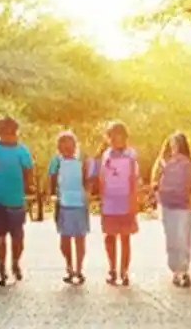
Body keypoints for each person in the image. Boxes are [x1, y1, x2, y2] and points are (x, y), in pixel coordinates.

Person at [0, 116, 34, 286]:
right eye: (4, 132)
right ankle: (2, 269)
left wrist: (28, 188)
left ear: (15, 132)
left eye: (11, 132)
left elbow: (28, 171)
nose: (8, 135)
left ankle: (15, 262)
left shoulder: (22, 151)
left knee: (17, 237)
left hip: (16, 200)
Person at [152, 131, 191, 288]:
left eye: (176, 145)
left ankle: (183, 271)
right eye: (172, 145)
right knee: (174, 237)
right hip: (170, 204)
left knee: (181, 238)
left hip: (181, 205)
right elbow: (155, 180)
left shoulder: (184, 163)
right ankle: (176, 271)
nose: (174, 148)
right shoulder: (166, 161)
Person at [97, 120, 139, 286]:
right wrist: (101, 198)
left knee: (125, 236)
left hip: (125, 199)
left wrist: (134, 200)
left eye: (119, 136)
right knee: (109, 235)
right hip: (109, 201)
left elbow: (134, 178)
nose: (115, 140)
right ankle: (112, 269)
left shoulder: (131, 155)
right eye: (112, 136)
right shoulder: (106, 155)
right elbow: (102, 177)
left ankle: (124, 270)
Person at [47, 130, 92, 285]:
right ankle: (69, 266)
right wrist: (52, 195)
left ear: (75, 146)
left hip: (79, 204)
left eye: (70, 145)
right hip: (63, 204)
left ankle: (79, 270)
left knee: (80, 238)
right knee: (64, 240)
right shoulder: (56, 161)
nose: (67, 148)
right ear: (59, 147)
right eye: (63, 145)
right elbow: (52, 179)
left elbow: (88, 179)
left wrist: (88, 194)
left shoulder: (82, 160)